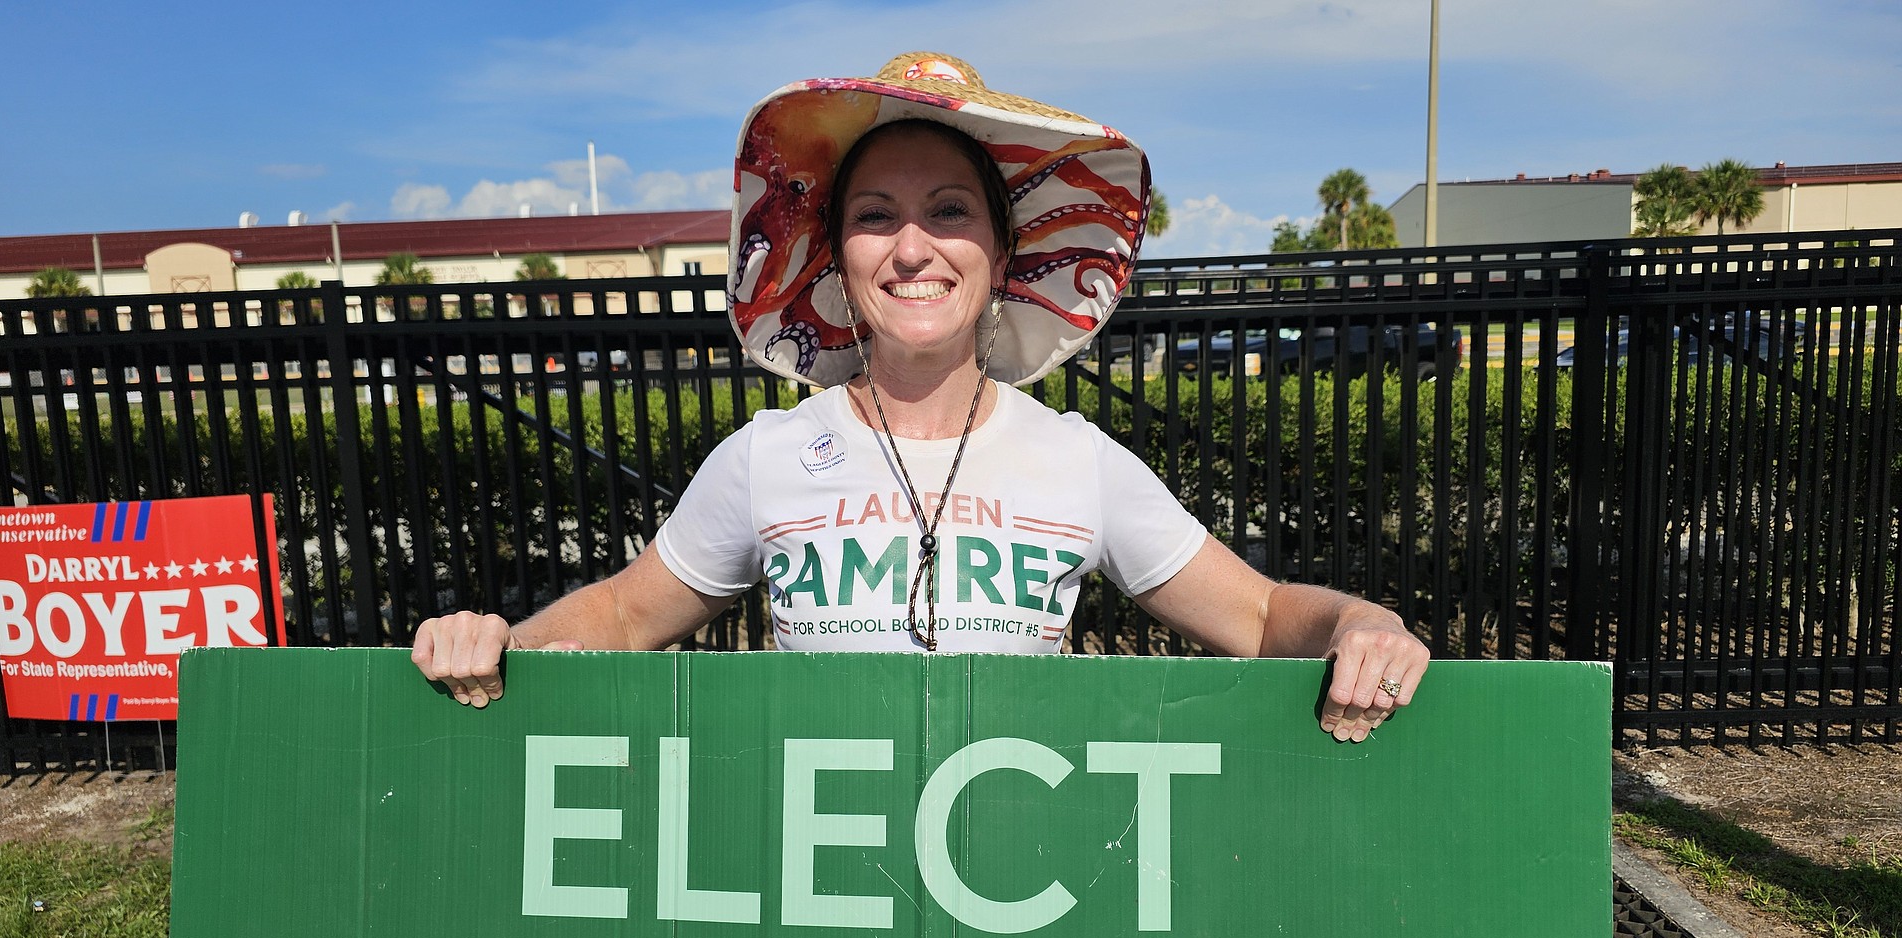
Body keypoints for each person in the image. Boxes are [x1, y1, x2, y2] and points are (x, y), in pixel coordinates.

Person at [412, 51, 1428, 742]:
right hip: (820, 893)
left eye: (948, 212)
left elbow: (1257, 619)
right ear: (835, 258)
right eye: (874, 216)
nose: (912, 248)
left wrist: (1365, 623)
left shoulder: (1077, 462)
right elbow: (629, 615)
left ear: (999, 251)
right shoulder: (767, 456)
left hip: (1019, 885)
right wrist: (504, 639)